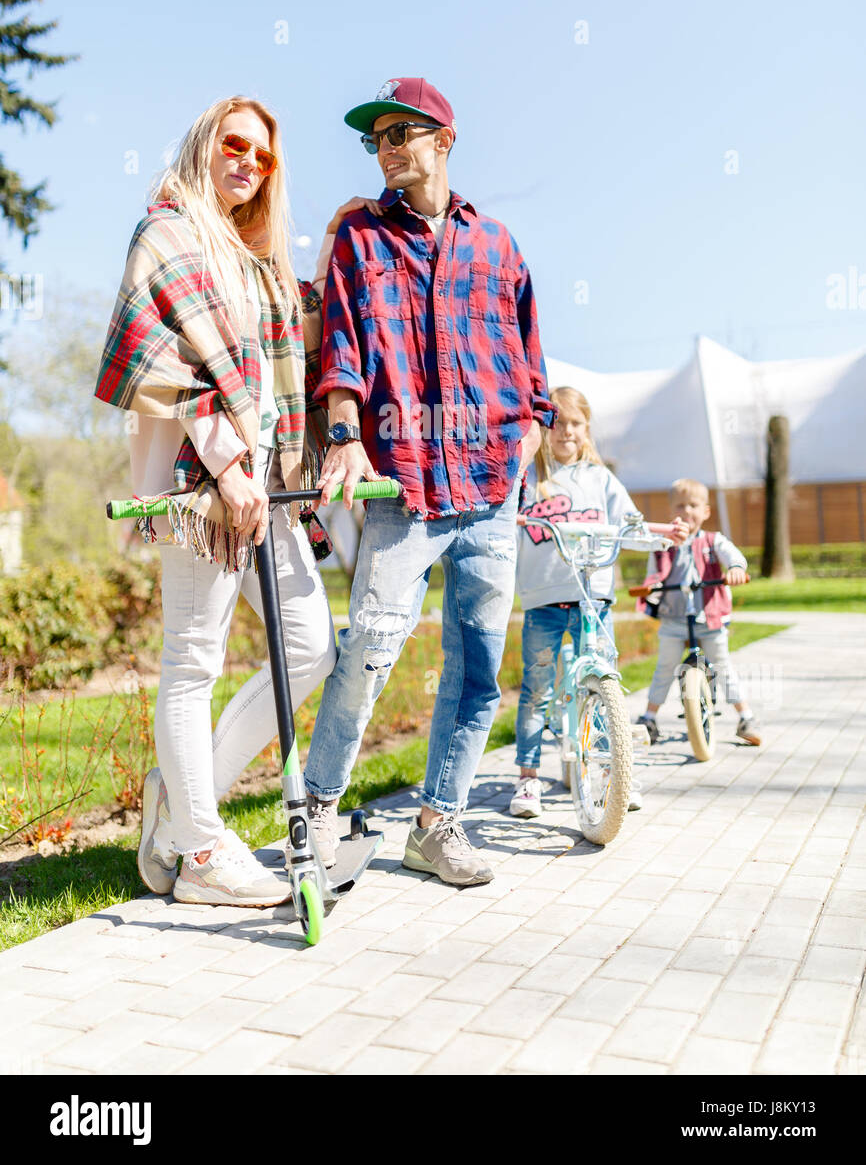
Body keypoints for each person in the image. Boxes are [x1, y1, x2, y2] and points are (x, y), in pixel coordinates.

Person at [94, 95, 359, 906]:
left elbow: (299, 353)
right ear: (206, 144)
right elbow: (165, 369)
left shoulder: (255, 260)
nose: (249, 162)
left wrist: (347, 238)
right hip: (198, 490)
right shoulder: (166, 234)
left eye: (265, 156)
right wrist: (226, 460)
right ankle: (204, 856)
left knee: (313, 646)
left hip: (270, 489)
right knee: (193, 663)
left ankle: (178, 805)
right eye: (235, 144)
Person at [303, 76, 557, 886]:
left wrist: (525, 443)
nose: (386, 149)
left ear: (443, 140)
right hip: (404, 489)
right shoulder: (360, 242)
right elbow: (340, 353)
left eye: (399, 134)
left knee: (478, 668)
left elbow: (532, 368)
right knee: (369, 652)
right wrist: (344, 436)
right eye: (375, 139)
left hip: (490, 488)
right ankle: (316, 810)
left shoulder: (499, 245)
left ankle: (437, 823)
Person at [510, 387, 688, 818]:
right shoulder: (529, 477)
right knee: (537, 691)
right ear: (543, 427)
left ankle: (616, 772)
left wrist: (664, 534)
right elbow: (501, 519)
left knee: (606, 680)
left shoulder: (600, 478)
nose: (566, 431)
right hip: (545, 599)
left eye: (575, 423)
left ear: (586, 428)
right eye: (557, 422)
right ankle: (528, 780)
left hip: (594, 598)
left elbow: (631, 526)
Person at [635, 477, 760, 745]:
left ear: (705, 512)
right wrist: (650, 588)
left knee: (723, 666)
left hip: (709, 617)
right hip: (673, 617)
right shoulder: (663, 544)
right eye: (680, 506)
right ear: (671, 512)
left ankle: (745, 717)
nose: (687, 511)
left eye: (693, 505)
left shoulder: (714, 541)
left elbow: (733, 556)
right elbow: (653, 575)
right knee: (665, 666)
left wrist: (736, 568)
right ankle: (649, 718)